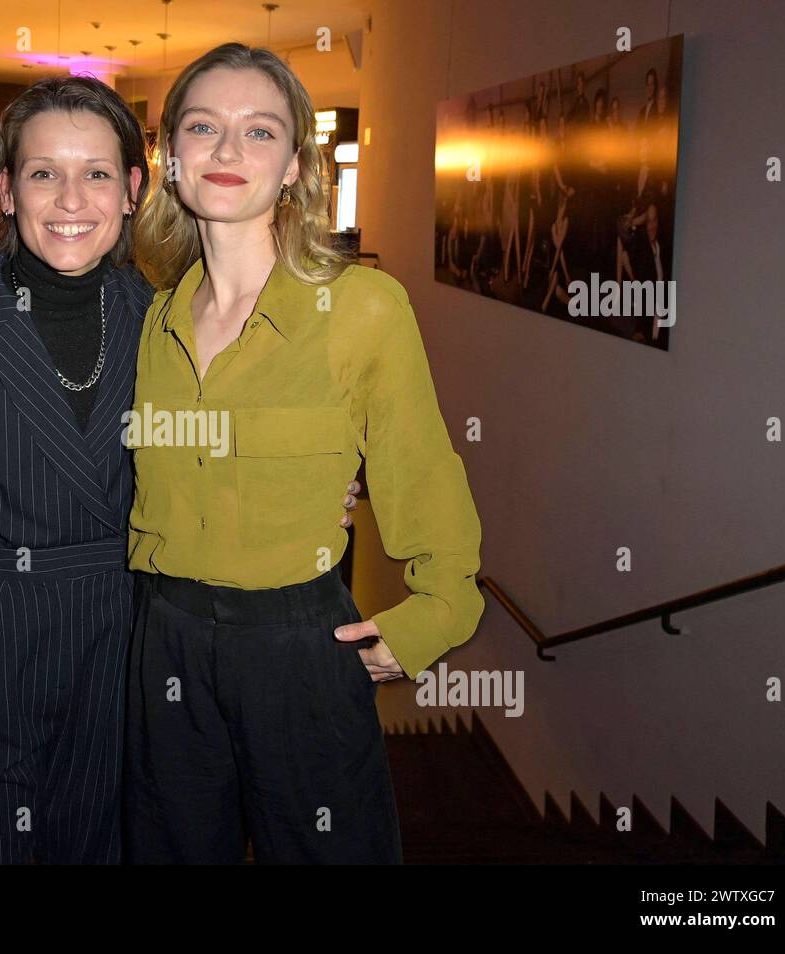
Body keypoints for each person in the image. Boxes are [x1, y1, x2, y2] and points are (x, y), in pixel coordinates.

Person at [0, 74, 359, 865]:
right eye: (44, 172)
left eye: (95, 174)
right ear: (6, 191)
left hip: (120, 649)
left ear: (131, 190)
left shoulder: (164, 316)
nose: (70, 199)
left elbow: (225, 438)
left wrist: (322, 485)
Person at [120, 43, 484, 863]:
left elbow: (421, 471)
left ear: (293, 166)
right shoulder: (151, 320)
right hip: (163, 639)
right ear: (170, 157)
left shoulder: (362, 309)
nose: (226, 150)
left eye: (259, 131)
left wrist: (435, 614)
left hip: (299, 645)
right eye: (203, 127)